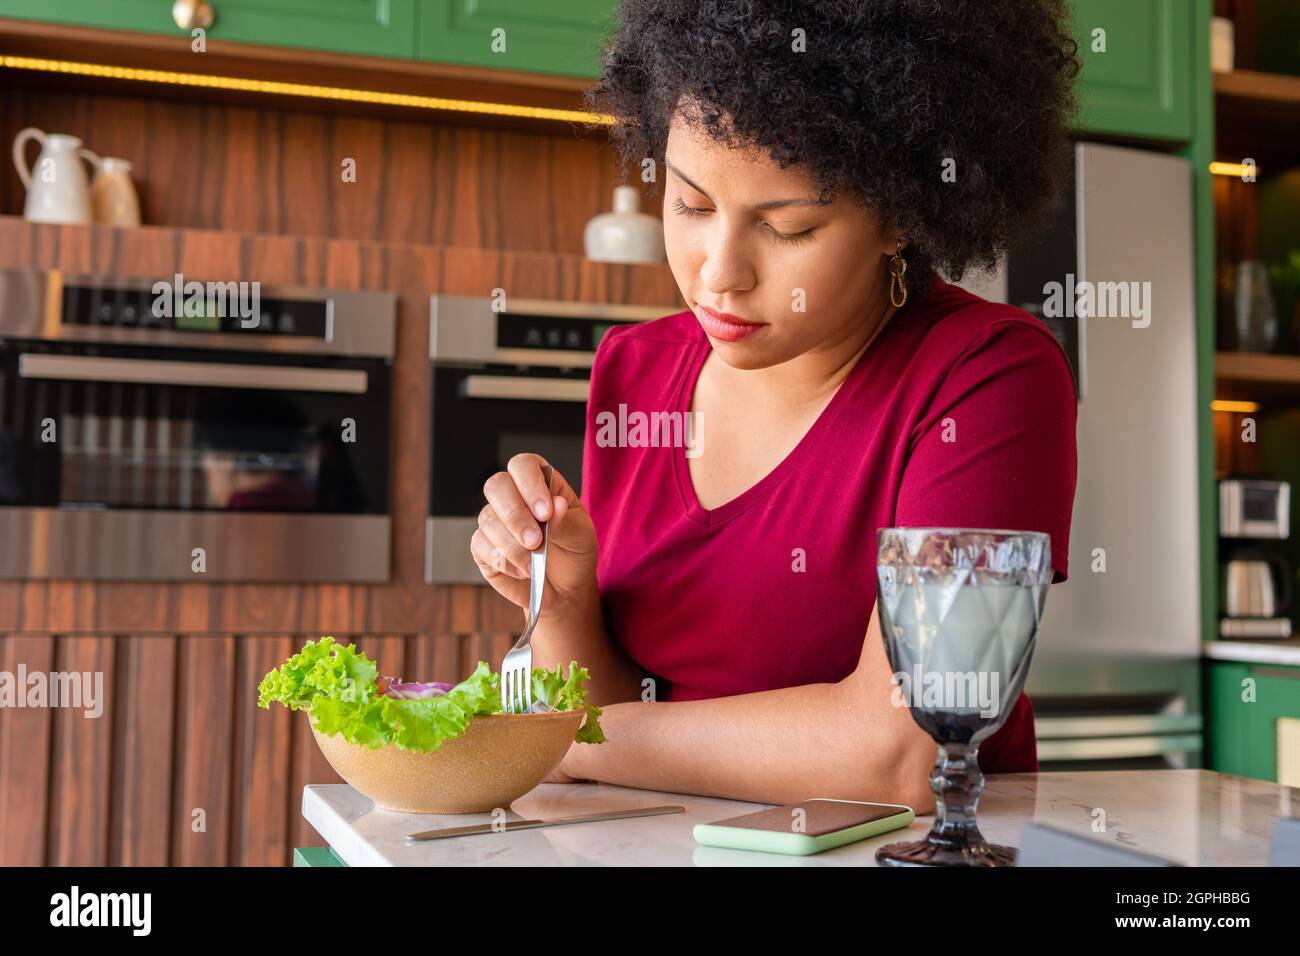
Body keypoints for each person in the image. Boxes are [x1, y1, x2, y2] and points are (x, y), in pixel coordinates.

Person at [471, 0, 1080, 810]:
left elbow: (899, 752)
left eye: (787, 226)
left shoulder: (988, 377)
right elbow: (628, 702)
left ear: (899, 216)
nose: (719, 272)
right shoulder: (636, 372)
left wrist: (566, 737)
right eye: (690, 205)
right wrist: (567, 598)